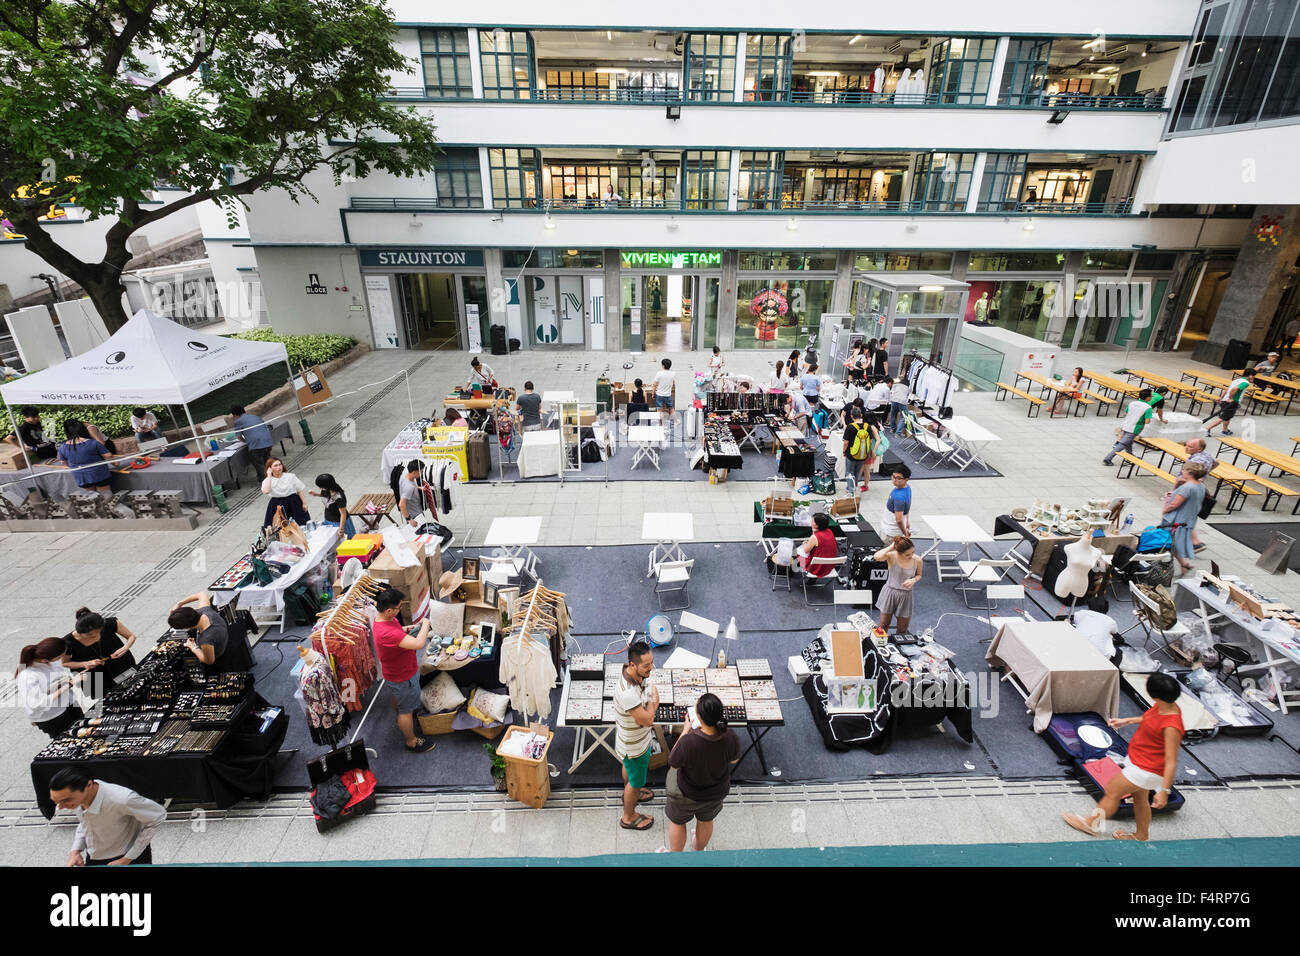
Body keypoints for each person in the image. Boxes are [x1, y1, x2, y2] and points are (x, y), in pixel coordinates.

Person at [1063, 672, 1184, 842]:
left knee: (1113, 790)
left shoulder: (1172, 727)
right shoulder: (1164, 706)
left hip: (1146, 769)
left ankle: (1091, 823)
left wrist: (1164, 791)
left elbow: (1171, 761)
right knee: (1140, 799)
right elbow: (1150, 719)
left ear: (1154, 695)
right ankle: (1141, 835)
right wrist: (1127, 721)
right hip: (1140, 762)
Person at [663, 692, 740, 852]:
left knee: (678, 821)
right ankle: (699, 851)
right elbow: (733, 760)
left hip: (687, 792)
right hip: (715, 792)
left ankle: (676, 858)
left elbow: (674, 763)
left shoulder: (689, 741)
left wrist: (685, 731)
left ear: (698, 716)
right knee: (706, 820)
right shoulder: (730, 736)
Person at [49, 768, 166, 866]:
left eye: (66, 800)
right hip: (95, 857)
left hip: (127, 858)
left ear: (89, 785)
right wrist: (75, 851)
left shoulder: (122, 799)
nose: (61, 807)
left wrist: (128, 859)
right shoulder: (78, 798)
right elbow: (86, 822)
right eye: (56, 801)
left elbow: (157, 815)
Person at [372, 586, 436, 753]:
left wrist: (406, 630)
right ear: (388, 610)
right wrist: (426, 625)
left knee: (398, 699)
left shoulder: (382, 620)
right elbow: (419, 644)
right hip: (402, 675)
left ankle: (401, 713)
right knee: (406, 711)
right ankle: (412, 741)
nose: (400, 609)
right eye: (398, 607)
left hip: (396, 672)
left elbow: (397, 633)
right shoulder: (387, 633)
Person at [614, 641, 658, 832]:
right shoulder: (628, 694)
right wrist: (653, 703)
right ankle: (629, 816)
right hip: (635, 745)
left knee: (629, 770)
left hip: (628, 742)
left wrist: (650, 701)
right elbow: (647, 720)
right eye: (646, 665)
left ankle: (632, 792)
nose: (651, 668)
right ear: (633, 665)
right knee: (635, 781)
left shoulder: (633, 673)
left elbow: (650, 691)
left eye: (652, 663)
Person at [16, 638, 84, 738]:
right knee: (68, 739)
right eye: (59, 657)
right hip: (51, 715)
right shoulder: (27, 676)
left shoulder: (52, 661)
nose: (61, 659)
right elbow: (39, 703)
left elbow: (60, 676)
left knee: (84, 728)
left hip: (69, 703)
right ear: (45, 659)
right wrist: (68, 685)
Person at [63, 609, 138, 693]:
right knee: (104, 700)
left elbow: (131, 636)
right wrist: (85, 663)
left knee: (134, 687)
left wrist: (125, 648)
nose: (95, 637)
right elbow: (65, 663)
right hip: (94, 676)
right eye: (88, 635)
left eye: (97, 633)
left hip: (120, 664)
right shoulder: (67, 642)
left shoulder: (110, 623)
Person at [168, 593, 236, 672]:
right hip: (224, 638)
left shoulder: (206, 639)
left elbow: (209, 661)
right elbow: (202, 594)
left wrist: (193, 647)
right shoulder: (205, 611)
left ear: (186, 627)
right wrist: (179, 603)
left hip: (220, 659)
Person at [1161, 461, 1207, 575]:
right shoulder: (1201, 486)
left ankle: (1172, 566)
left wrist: (1165, 510)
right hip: (1188, 518)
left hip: (1176, 519)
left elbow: (1175, 504)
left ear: (1190, 472)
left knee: (1168, 541)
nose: (1182, 471)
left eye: (1184, 470)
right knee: (1174, 542)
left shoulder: (1187, 488)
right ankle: (1184, 565)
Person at [874, 536, 922, 635]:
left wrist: (914, 580)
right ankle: (881, 645)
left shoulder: (917, 560)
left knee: (902, 628)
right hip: (890, 592)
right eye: (908, 554)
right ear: (899, 553)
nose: (911, 556)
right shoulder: (892, 556)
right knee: (883, 625)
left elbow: (919, 575)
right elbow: (877, 557)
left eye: (913, 552)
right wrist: (892, 546)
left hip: (906, 595)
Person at [57, 419, 114, 495]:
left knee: (91, 498)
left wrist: (74, 466)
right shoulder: (93, 443)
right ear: (83, 430)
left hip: (81, 477)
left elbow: (63, 462)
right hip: (100, 475)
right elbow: (109, 456)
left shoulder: (63, 447)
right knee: (106, 497)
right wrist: (116, 463)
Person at [1102, 388, 1154, 465]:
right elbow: (1147, 421)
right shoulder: (1148, 407)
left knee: (1128, 442)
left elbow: (1125, 413)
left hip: (1126, 425)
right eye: (1151, 396)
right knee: (1123, 444)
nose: (1151, 397)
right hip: (1134, 428)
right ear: (1147, 397)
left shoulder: (1132, 403)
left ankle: (1130, 457)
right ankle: (1108, 458)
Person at [1183, 439, 1216, 552]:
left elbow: (1189, 476)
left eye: (1190, 446)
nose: (1186, 448)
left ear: (1199, 449)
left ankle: (1196, 543)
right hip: (1197, 488)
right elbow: (1216, 463)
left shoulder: (1197, 460)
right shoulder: (1206, 455)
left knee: (1186, 516)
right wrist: (1205, 473)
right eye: (1186, 445)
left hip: (1190, 490)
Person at [260, 456, 310, 526]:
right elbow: (266, 491)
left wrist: (304, 503)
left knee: (301, 524)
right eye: (275, 465)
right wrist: (269, 476)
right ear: (270, 468)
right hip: (277, 505)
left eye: (280, 464)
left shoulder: (290, 476)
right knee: (280, 528)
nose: (279, 467)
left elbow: (299, 490)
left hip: (294, 502)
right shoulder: (268, 480)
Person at [1204, 369, 1253, 436]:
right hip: (1232, 402)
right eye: (1254, 376)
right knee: (1223, 418)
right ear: (1250, 375)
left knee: (1227, 416)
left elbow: (1227, 389)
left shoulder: (1236, 380)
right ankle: (1207, 429)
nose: (1254, 377)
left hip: (1224, 400)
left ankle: (1225, 430)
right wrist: (1230, 398)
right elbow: (1234, 389)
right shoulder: (1246, 383)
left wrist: (1221, 398)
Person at [1072, 596, 1120, 660]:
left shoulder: (1080, 613)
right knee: (1118, 652)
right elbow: (1118, 637)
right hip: (1100, 657)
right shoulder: (1111, 621)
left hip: (1076, 649)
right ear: (1106, 609)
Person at [842, 406, 877, 494]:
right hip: (863, 454)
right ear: (861, 415)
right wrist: (869, 452)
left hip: (851, 454)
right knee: (857, 473)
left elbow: (846, 442)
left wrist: (843, 451)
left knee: (849, 472)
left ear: (851, 416)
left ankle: (851, 491)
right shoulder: (867, 427)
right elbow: (870, 442)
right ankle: (853, 486)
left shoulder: (850, 427)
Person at [231, 405, 273, 476]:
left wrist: (246, 441)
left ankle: (266, 481)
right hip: (268, 441)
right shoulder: (255, 416)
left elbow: (239, 437)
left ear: (235, 415)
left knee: (259, 464)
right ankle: (273, 477)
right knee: (267, 461)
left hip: (256, 445)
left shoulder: (238, 421)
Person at [310, 473, 356, 538]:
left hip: (339, 522)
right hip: (328, 520)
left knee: (347, 542)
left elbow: (343, 514)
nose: (320, 488)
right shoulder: (326, 490)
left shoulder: (339, 497)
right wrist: (316, 494)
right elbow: (326, 496)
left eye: (321, 486)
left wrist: (341, 529)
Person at [796, 511, 838, 576]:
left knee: (797, 553)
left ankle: (792, 570)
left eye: (812, 521)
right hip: (829, 566)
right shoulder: (829, 531)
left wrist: (804, 543)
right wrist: (813, 532)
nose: (811, 522)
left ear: (817, 525)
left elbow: (806, 550)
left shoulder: (814, 537)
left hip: (817, 568)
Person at [879, 464, 913, 538]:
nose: (894, 480)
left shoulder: (899, 497)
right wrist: (907, 521)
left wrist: (905, 534)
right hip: (890, 529)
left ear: (906, 479)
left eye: (898, 478)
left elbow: (899, 520)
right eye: (893, 477)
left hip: (890, 533)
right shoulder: (907, 487)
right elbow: (906, 508)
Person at [397, 459, 426, 526]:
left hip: (415, 512)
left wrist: (418, 487)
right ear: (414, 473)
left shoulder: (405, 475)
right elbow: (401, 505)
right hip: (415, 515)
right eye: (421, 472)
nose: (422, 473)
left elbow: (409, 486)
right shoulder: (409, 487)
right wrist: (410, 520)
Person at [653, 358, 675, 431]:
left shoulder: (659, 373)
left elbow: (655, 384)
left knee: (660, 410)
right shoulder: (673, 373)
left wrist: (653, 393)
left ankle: (661, 425)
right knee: (671, 409)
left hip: (659, 394)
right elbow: (673, 384)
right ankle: (675, 422)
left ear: (662, 365)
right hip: (668, 394)